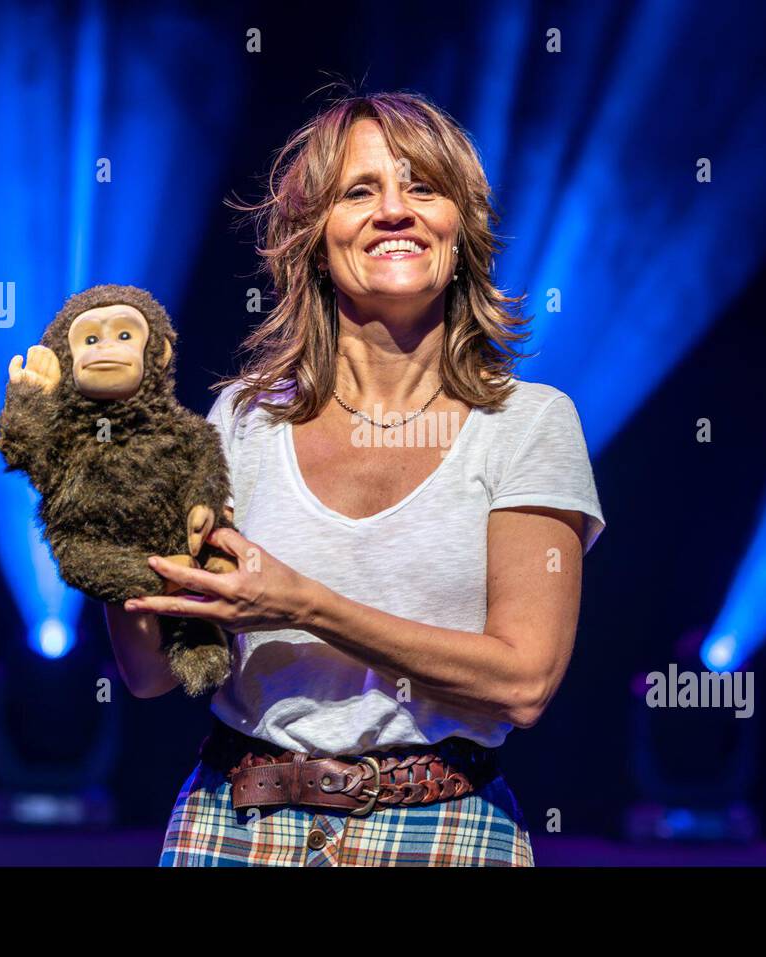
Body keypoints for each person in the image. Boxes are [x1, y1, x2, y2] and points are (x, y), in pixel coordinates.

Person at [106, 91, 604, 866]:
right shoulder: (241, 419)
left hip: (441, 828)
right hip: (234, 829)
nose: (395, 212)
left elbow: (524, 681)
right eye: (359, 191)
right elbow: (145, 672)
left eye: (423, 188)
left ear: (461, 228)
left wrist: (303, 602)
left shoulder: (529, 423)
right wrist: (115, 525)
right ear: (313, 237)